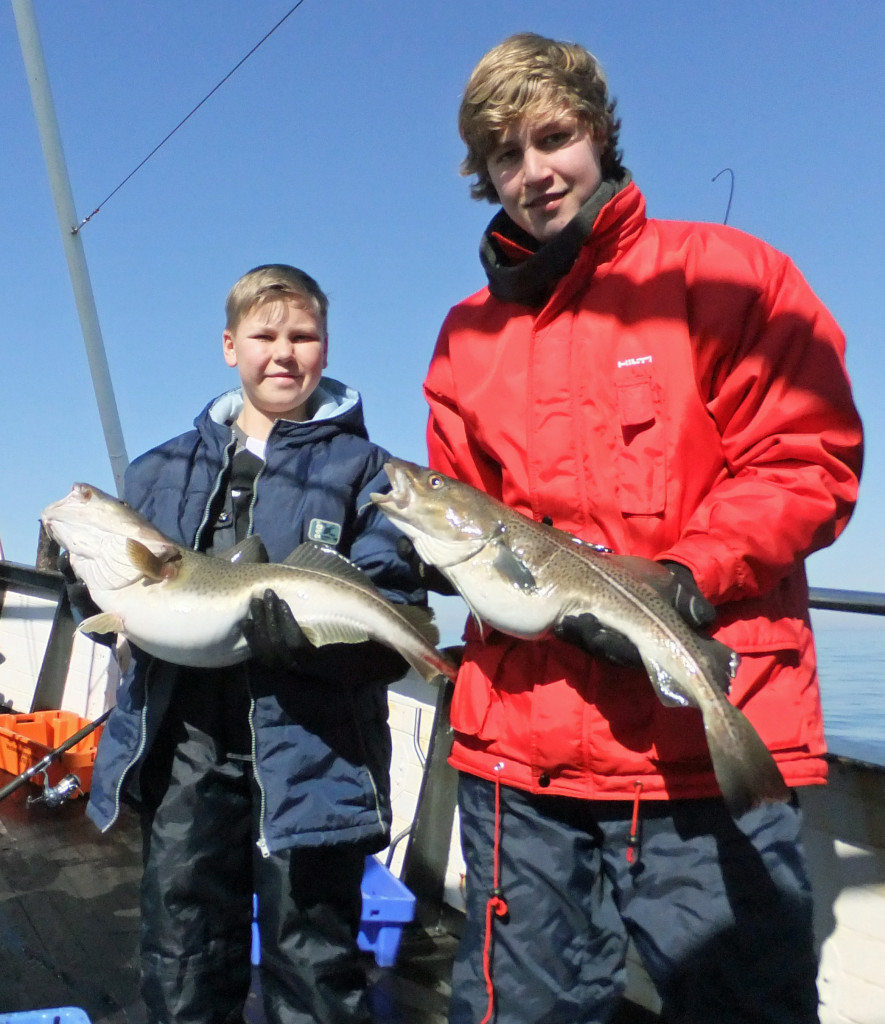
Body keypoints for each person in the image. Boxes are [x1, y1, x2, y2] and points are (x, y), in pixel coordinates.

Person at [422, 32, 863, 1024]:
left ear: (601, 133)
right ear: (483, 175)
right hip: (520, 761)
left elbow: (810, 455)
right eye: (505, 154)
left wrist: (688, 576)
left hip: (704, 758)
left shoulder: (732, 275)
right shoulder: (464, 336)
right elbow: (463, 503)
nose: (533, 172)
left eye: (553, 137)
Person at [81, 264, 426, 1024]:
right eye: (265, 335)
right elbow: (117, 604)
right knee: (182, 960)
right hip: (185, 752)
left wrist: (312, 647)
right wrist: (88, 588)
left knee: (314, 966)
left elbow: (394, 621)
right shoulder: (156, 469)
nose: (283, 352)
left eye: (302, 336)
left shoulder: (369, 475)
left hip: (315, 758)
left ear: (326, 348)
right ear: (229, 345)